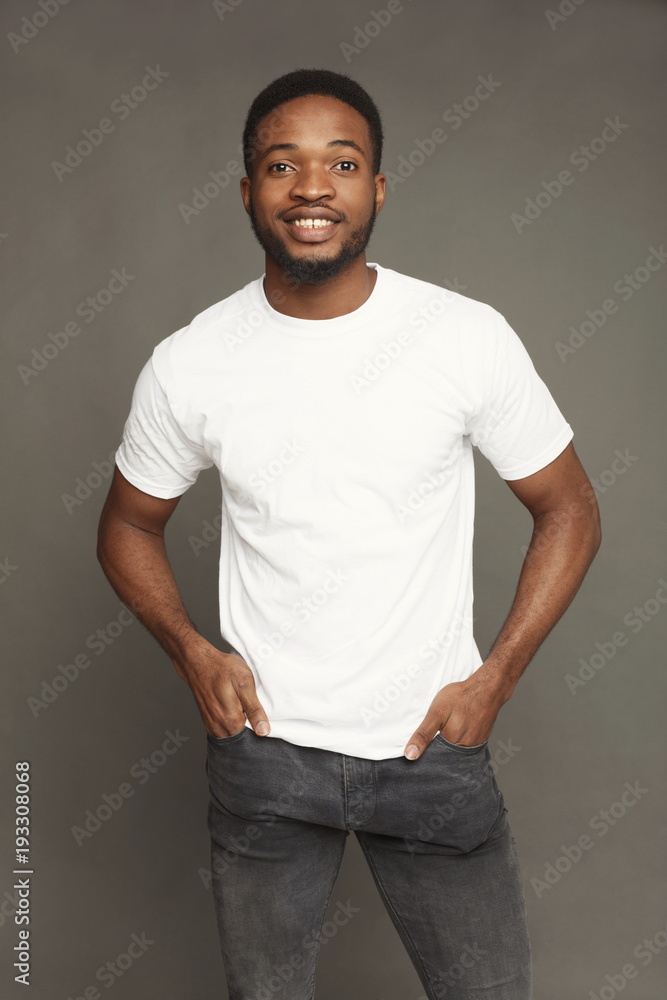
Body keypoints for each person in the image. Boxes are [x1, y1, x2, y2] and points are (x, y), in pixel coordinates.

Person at [97, 68, 601, 1000]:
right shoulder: (192, 360)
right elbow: (128, 524)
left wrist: (497, 675)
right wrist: (191, 654)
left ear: (377, 186)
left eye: (342, 162)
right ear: (249, 193)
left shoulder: (460, 336)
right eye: (282, 165)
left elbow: (569, 506)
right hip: (264, 762)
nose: (313, 187)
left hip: (430, 756)